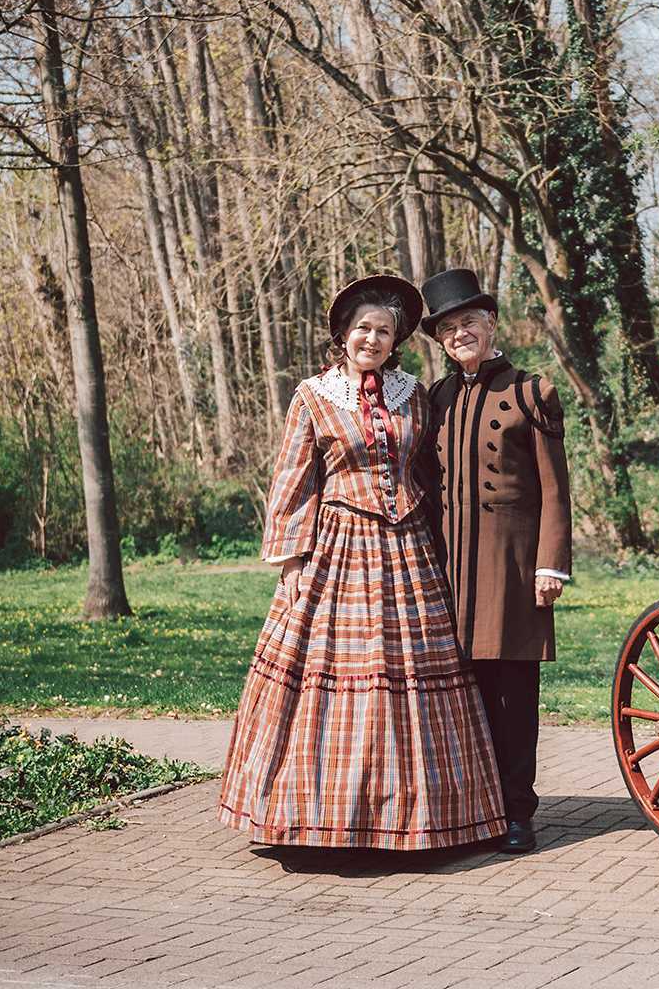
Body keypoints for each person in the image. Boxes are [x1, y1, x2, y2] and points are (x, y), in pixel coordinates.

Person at [218, 275, 507, 851]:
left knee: (412, 680)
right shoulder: (313, 396)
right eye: (363, 329)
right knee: (331, 679)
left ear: (397, 338)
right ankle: (314, 816)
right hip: (337, 550)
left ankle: (423, 816)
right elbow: (294, 480)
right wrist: (292, 559)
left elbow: (432, 469)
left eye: (383, 330)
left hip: (408, 552)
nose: (372, 339)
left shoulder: (415, 395)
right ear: (343, 335)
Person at [418, 268, 573, 855]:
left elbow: (557, 488)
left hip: (512, 568)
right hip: (450, 569)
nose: (461, 334)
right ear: (439, 339)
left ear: (491, 324)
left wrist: (550, 563)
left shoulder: (532, 392)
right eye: (449, 328)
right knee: (464, 693)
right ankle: (474, 808)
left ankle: (517, 812)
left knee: (512, 694)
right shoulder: (437, 398)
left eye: (469, 323)